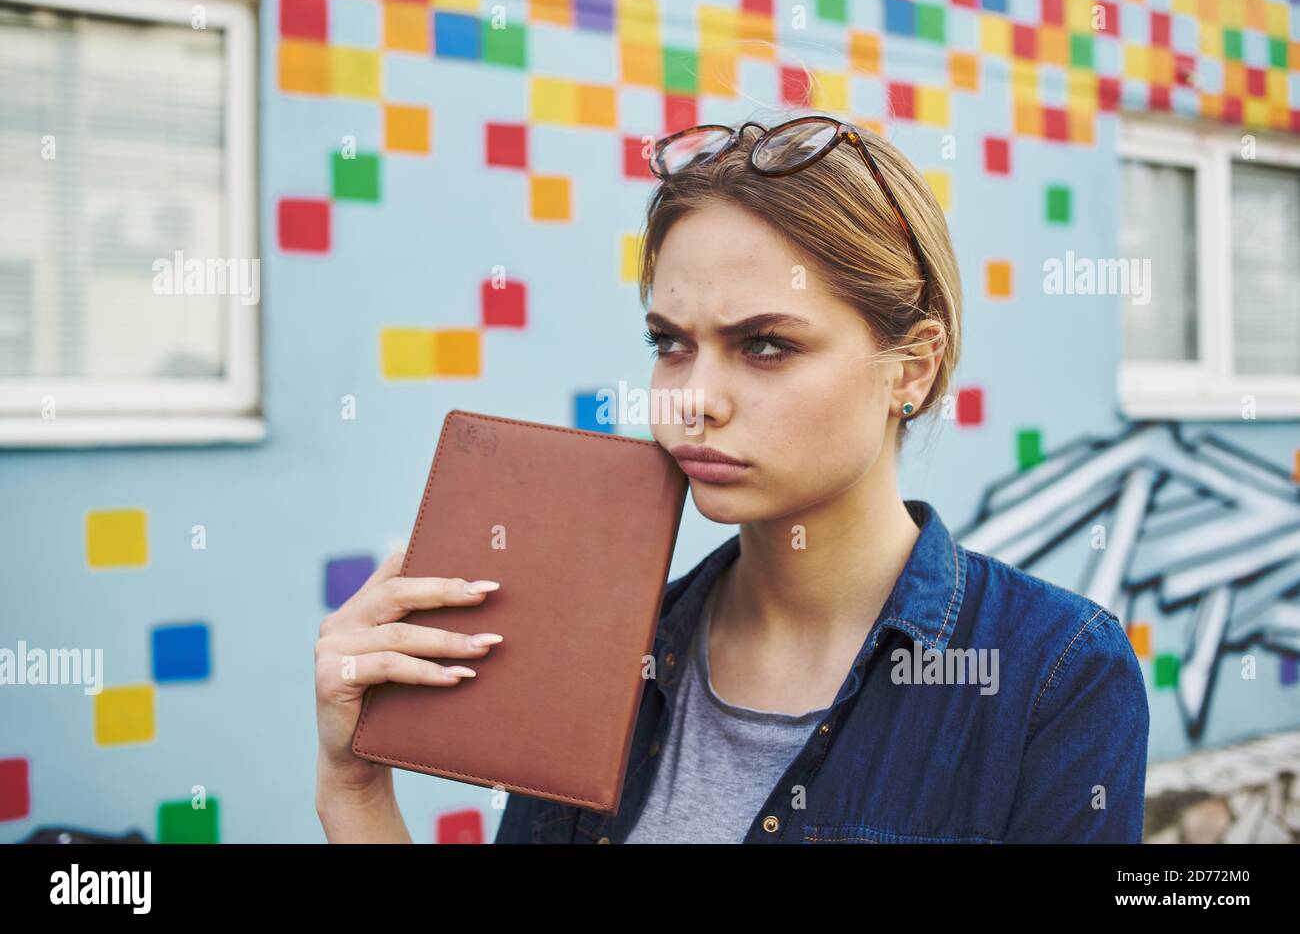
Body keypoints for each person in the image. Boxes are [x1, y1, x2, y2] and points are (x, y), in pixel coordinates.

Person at [314, 114, 1150, 844]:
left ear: (913, 369)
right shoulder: (604, 649)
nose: (691, 403)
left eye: (766, 345)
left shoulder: (1054, 676)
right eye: (670, 343)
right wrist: (355, 793)